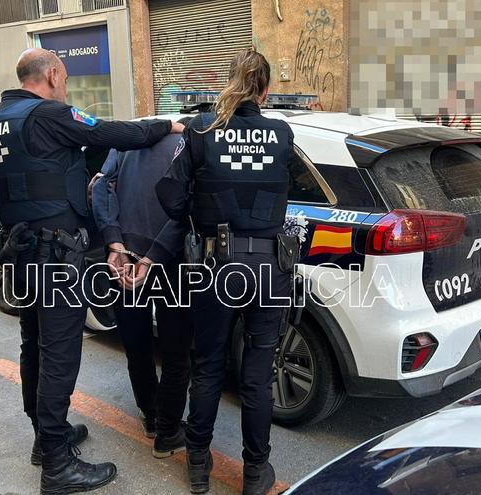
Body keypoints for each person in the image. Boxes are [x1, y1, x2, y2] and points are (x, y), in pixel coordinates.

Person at [0, 48, 183, 495]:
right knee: (60, 354)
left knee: (35, 345)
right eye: (64, 79)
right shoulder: (48, 114)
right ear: (50, 74)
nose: (65, 87)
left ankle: (45, 439)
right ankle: (57, 464)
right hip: (55, 257)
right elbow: (110, 132)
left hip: (19, 254)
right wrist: (167, 125)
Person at [155, 48, 296, 495]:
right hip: (269, 266)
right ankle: (256, 473)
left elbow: (170, 198)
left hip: (215, 266)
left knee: (209, 366)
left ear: (227, 83)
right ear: (266, 90)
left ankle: (199, 466)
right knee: (257, 374)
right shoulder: (282, 133)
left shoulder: (201, 132)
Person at [90, 118, 194, 459]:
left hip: (126, 256)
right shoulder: (189, 143)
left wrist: (114, 242)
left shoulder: (125, 142)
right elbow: (186, 210)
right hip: (171, 259)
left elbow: (101, 186)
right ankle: (167, 431)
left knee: (136, 343)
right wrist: (154, 256)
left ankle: (150, 415)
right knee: (176, 349)